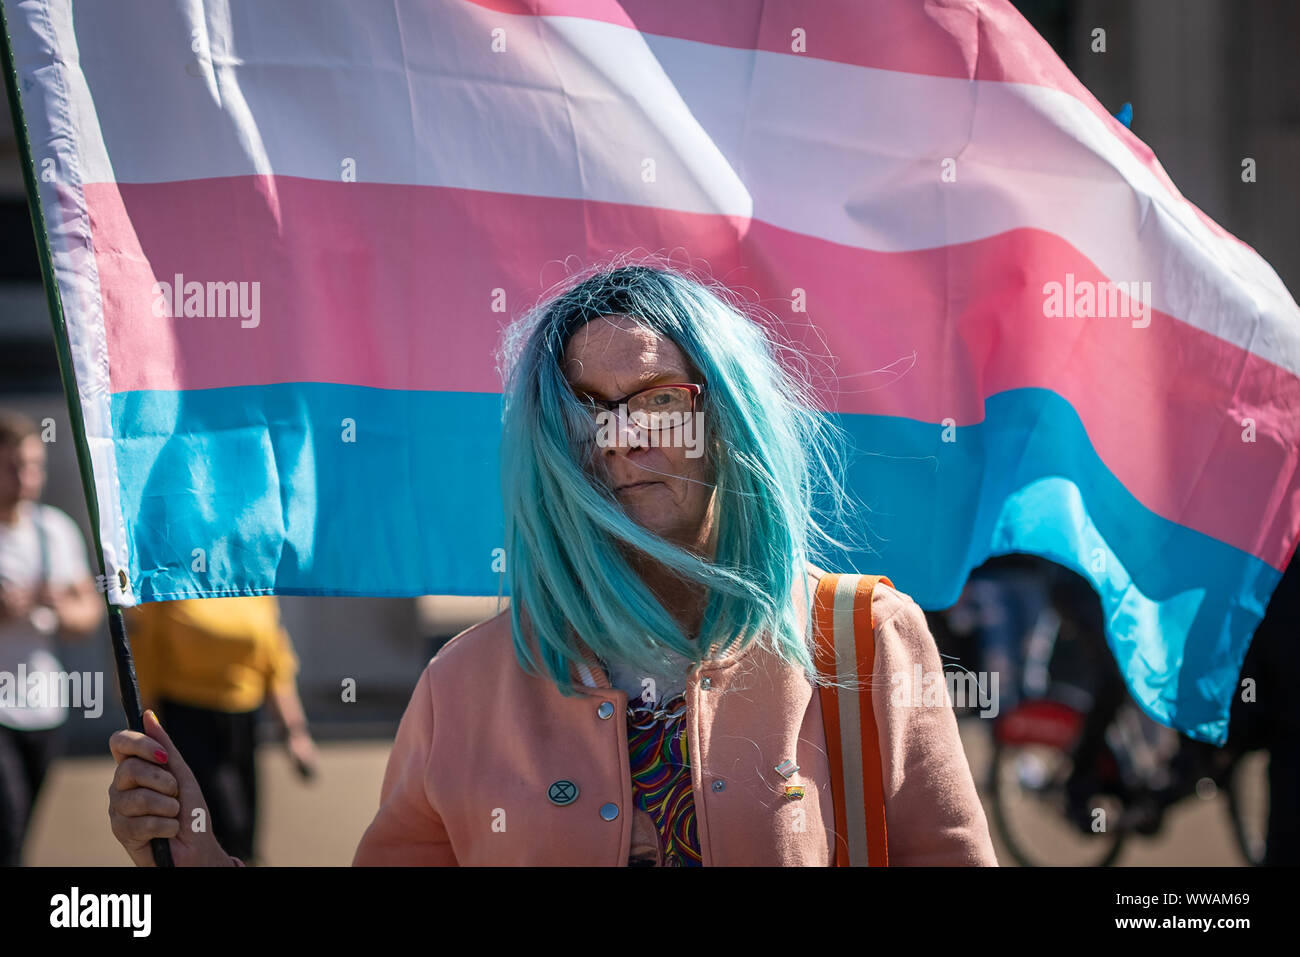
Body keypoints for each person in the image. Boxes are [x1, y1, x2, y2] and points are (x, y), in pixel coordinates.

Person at [106, 261, 998, 866]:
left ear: (729, 419)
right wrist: (201, 856)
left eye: (657, 402)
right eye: (584, 414)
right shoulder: (465, 683)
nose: (620, 442)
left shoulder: (862, 638)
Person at [124, 597, 318, 864]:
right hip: (187, 719)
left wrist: (296, 733)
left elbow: (274, 657)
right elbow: (143, 653)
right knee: (223, 825)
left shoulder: (250, 577)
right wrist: (148, 732)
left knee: (244, 828)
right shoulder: (171, 575)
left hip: (245, 720)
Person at [0, 411, 103, 865]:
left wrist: (49, 601)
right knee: (7, 822)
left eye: (33, 465)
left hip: (43, 704)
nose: (25, 478)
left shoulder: (54, 529)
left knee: (21, 832)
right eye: (12, 467)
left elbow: (89, 615)